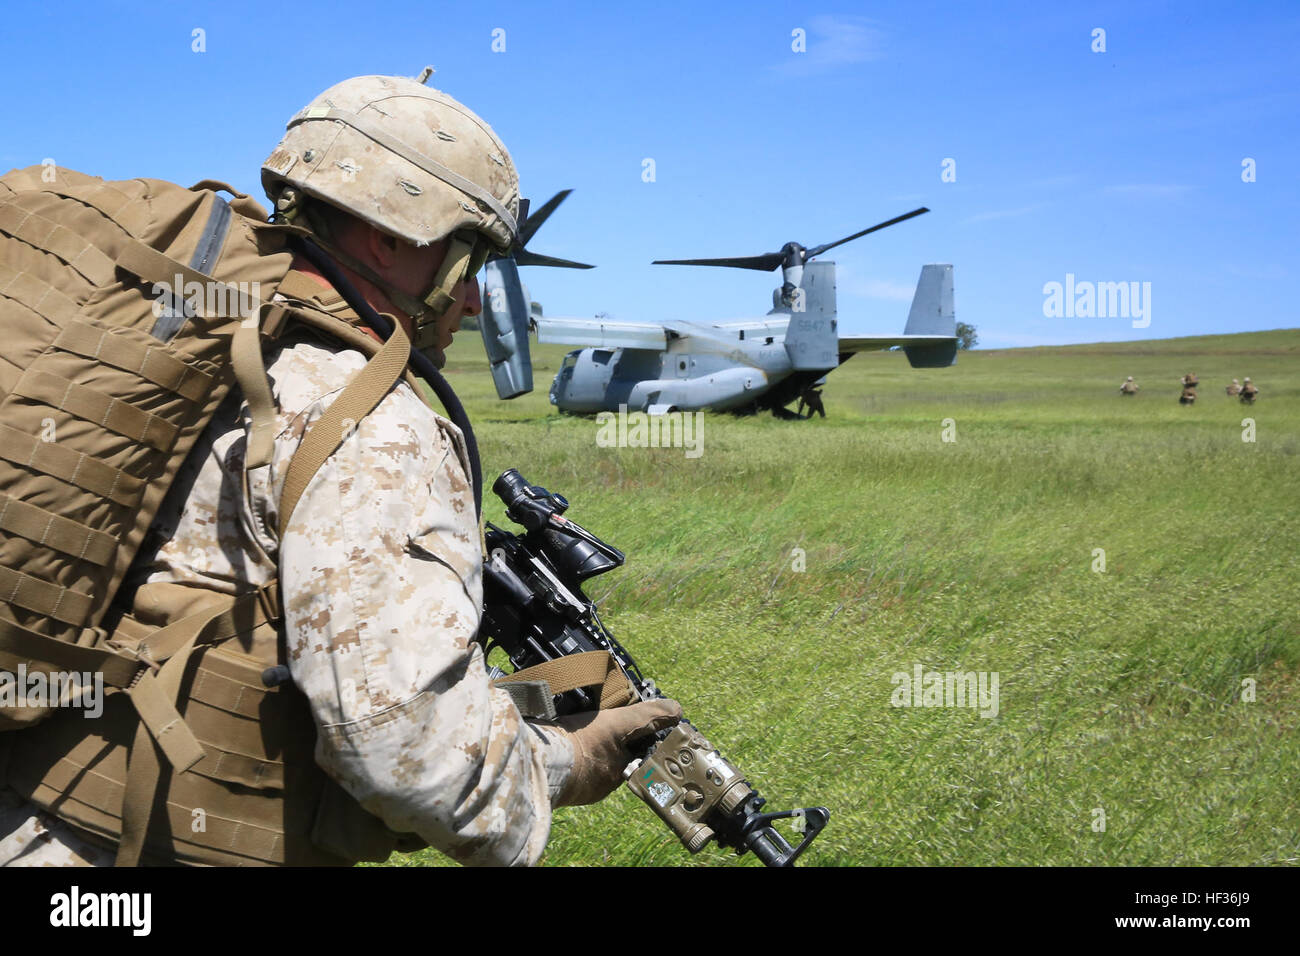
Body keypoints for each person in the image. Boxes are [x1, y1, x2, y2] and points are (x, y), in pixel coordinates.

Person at [0, 72, 679, 867]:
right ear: (390, 237)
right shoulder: (373, 420)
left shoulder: (194, 338)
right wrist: (567, 761)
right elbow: (406, 754)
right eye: (469, 257)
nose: (471, 302)